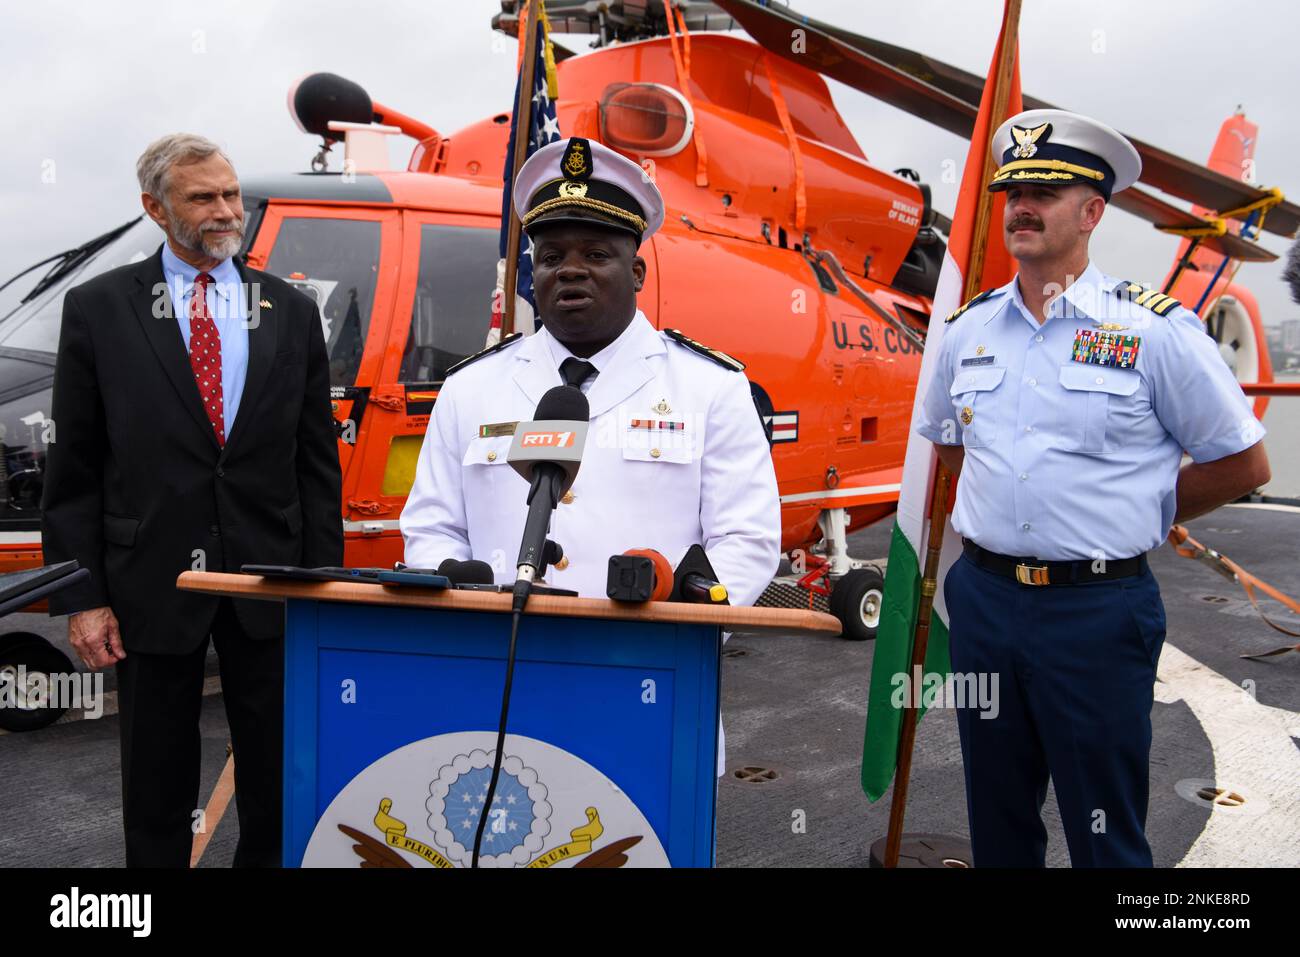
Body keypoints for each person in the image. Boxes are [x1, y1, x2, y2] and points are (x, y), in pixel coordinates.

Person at [916, 109, 1271, 867]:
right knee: (998, 819)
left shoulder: (1155, 332)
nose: (1022, 204)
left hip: (1097, 611)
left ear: (1092, 211)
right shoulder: (968, 330)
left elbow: (1244, 461)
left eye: (1046, 189)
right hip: (985, 601)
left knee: (1106, 834)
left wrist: (1142, 509)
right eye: (1014, 188)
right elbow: (952, 447)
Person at [400, 137, 782, 772]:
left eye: (596, 255)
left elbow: (747, 539)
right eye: (550, 256)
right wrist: (454, 586)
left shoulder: (710, 387)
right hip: (498, 677)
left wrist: (680, 607)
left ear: (637, 271)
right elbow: (430, 525)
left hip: (649, 678)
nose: (568, 270)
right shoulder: (471, 388)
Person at [41, 133, 342, 867]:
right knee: (155, 780)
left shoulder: (292, 311)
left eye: (231, 194)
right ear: (155, 207)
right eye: (202, 197)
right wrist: (84, 597)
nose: (225, 210)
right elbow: (75, 466)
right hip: (150, 583)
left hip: (270, 581)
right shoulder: (98, 309)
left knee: (280, 774)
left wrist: (322, 585)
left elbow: (316, 465)